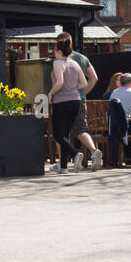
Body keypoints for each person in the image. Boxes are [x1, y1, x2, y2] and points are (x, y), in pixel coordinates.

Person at [49, 39, 103, 173]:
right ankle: (63, 167)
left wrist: (50, 93)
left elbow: (60, 82)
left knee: (58, 135)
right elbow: (84, 83)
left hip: (61, 102)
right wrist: (73, 89)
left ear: (60, 51)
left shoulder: (57, 63)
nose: (54, 53)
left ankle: (75, 154)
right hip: (76, 101)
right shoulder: (75, 63)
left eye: (55, 50)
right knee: (66, 134)